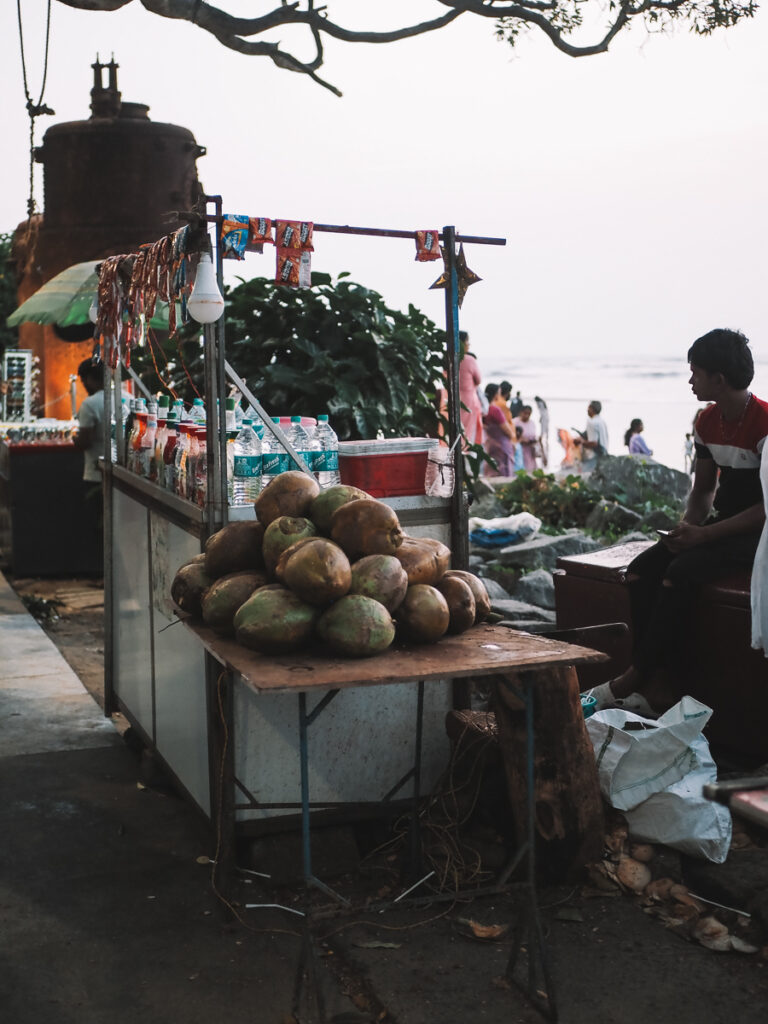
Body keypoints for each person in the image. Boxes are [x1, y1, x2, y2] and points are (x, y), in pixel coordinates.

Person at [587, 328, 768, 716]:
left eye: (695, 373)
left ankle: (635, 678)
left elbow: (765, 509)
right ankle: (658, 683)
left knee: (680, 572)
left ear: (719, 379)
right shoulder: (707, 422)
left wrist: (703, 536)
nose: (690, 381)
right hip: (721, 524)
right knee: (641, 570)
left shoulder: (764, 422)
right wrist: (686, 529)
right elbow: (703, 490)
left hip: (758, 533)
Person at [73, 358, 105, 482]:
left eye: (83, 381)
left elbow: (85, 441)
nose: (84, 386)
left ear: (90, 379)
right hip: (120, 476)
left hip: (95, 474)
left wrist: (74, 438)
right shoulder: (127, 398)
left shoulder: (89, 404)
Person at [482, 382, 517, 476]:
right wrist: (512, 436)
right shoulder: (495, 410)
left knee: (491, 469)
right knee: (504, 469)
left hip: (490, 443)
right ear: (495, 394)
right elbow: (506, 429)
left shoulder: (484, 409)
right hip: (501, 444)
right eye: (499, 393)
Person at [514, 404, 539, 471]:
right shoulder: (515, 422)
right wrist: (522, 440)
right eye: (525, 413)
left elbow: (534, 435)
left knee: (531, 470)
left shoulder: (532, 423)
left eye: (529, 414)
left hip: (530, 451)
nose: (527, 416)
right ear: (521, 412)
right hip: (519, 450)